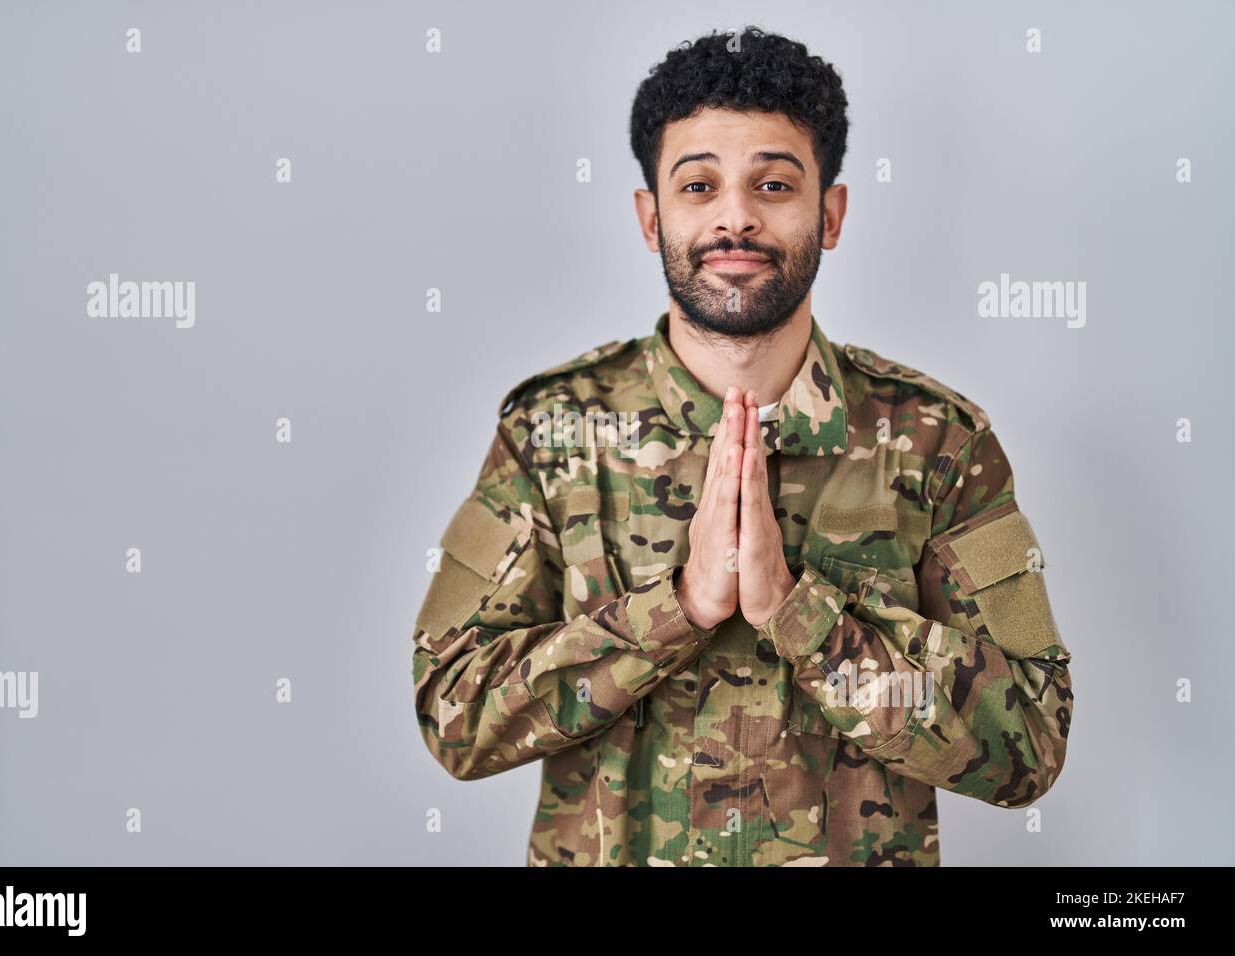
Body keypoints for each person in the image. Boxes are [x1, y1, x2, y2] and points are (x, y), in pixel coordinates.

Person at [410, 25, 1072, 866]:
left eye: (774, 184)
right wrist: (676, 609)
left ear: (829, 214)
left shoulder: (938, 440)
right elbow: (453, 716)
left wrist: (802, 618)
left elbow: (1032, 743)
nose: (735, 217)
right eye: (699, 185)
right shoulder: (552, 433)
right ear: (651, 217)